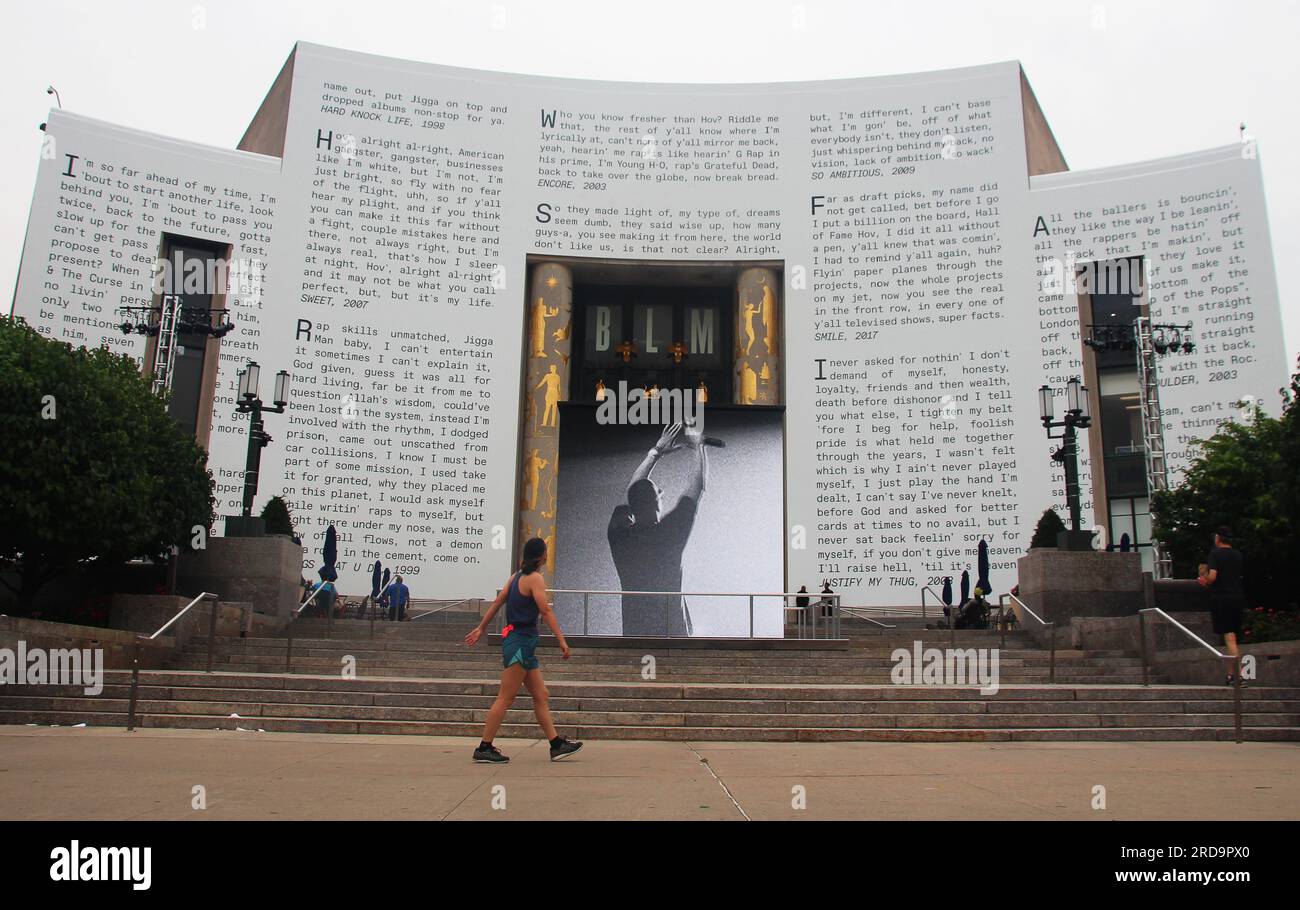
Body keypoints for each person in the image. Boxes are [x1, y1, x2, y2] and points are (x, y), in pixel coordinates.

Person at [464, 538, 583, 763]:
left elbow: (499, 601)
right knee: (505, 698)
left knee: (541, 695)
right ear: (540, 557)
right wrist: (562, 641)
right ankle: (484, 746)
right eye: (546, 553)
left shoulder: (515, 576)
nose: (547, 556)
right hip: (519, 643)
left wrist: (481, 627)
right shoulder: (534, 579)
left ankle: (556, 744)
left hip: (522, 644)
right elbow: (545, 610)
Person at [608, 422, 707, 637]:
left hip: (635, 634)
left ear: (632, 508)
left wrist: (655, 453)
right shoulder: (669, 534)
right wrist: (698, 446)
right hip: (674, 635)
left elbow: (631, 493)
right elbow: (698, 486)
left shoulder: (619, 536)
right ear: (657, 503)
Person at [1199, 526, 1247, 686]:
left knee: (1229, 636)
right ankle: (1230, 674)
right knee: (1232, 636)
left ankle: (1237, 675)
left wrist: (1203, 577)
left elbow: (1213, 576)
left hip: (1222, 598)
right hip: (1237, 597)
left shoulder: (1215, 554)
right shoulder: (1237, 555)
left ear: (1218, 538)